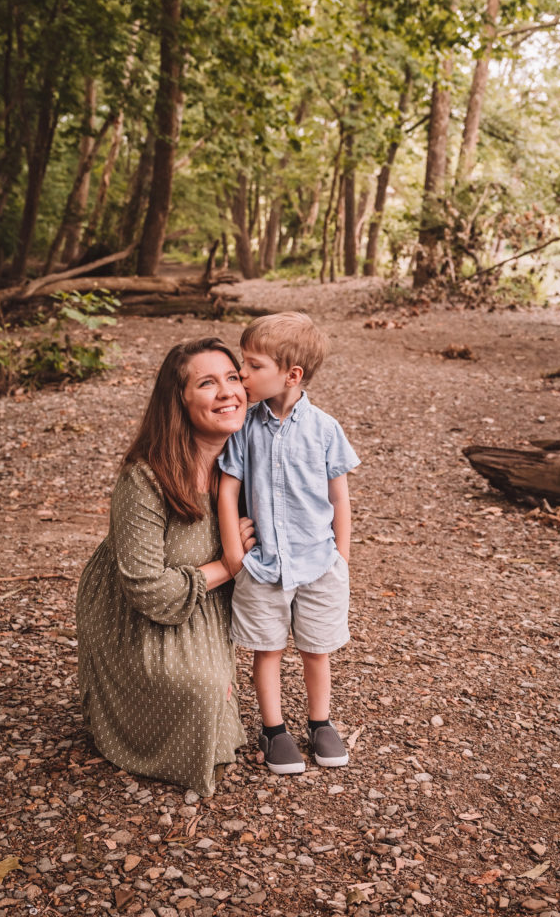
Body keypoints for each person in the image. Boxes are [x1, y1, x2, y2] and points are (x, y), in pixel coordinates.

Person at [76, 336, 255, 797]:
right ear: (179, 400)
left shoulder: (248, 462)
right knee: (200, 691)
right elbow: (146, 589)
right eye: (208, 384)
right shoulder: (146, 475)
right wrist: (228, 567)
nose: (228, 392)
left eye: (233, 378)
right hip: (132, 615)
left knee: (212, 695)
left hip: (205, 605)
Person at [218, 312, 360, 775]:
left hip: (318, 562)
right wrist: (235, 557)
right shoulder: (244, 428)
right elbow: (228, 489)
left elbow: (339, 493)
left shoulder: (324, 428)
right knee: (269, 649)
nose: (242, 374)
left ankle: (321, 723)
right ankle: (274, 729)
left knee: (316, 649)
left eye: (252, 366)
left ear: (291, 375)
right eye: (243, 362)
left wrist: (341, 555)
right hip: (263, 565)